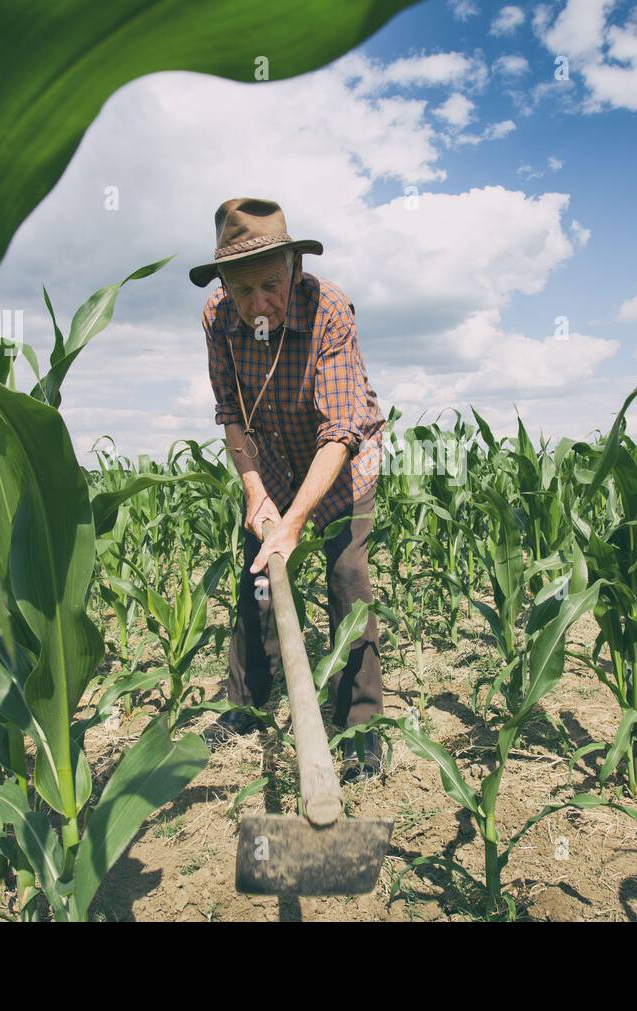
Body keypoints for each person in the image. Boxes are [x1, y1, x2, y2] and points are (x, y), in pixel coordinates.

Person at [190, 197, 386, 781]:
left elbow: (340, 431)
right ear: (224, 283)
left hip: (341, 459)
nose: (258, 305)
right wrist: (256, 494)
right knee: (257, 574)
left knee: (347, 573)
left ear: (295, 269)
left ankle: (361, 729)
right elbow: (230, 413)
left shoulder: (329, 309)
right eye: (242, 291)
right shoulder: (217, 318)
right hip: (269, 460)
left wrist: (298, 520)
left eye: (270, 287)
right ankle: (247, 706)